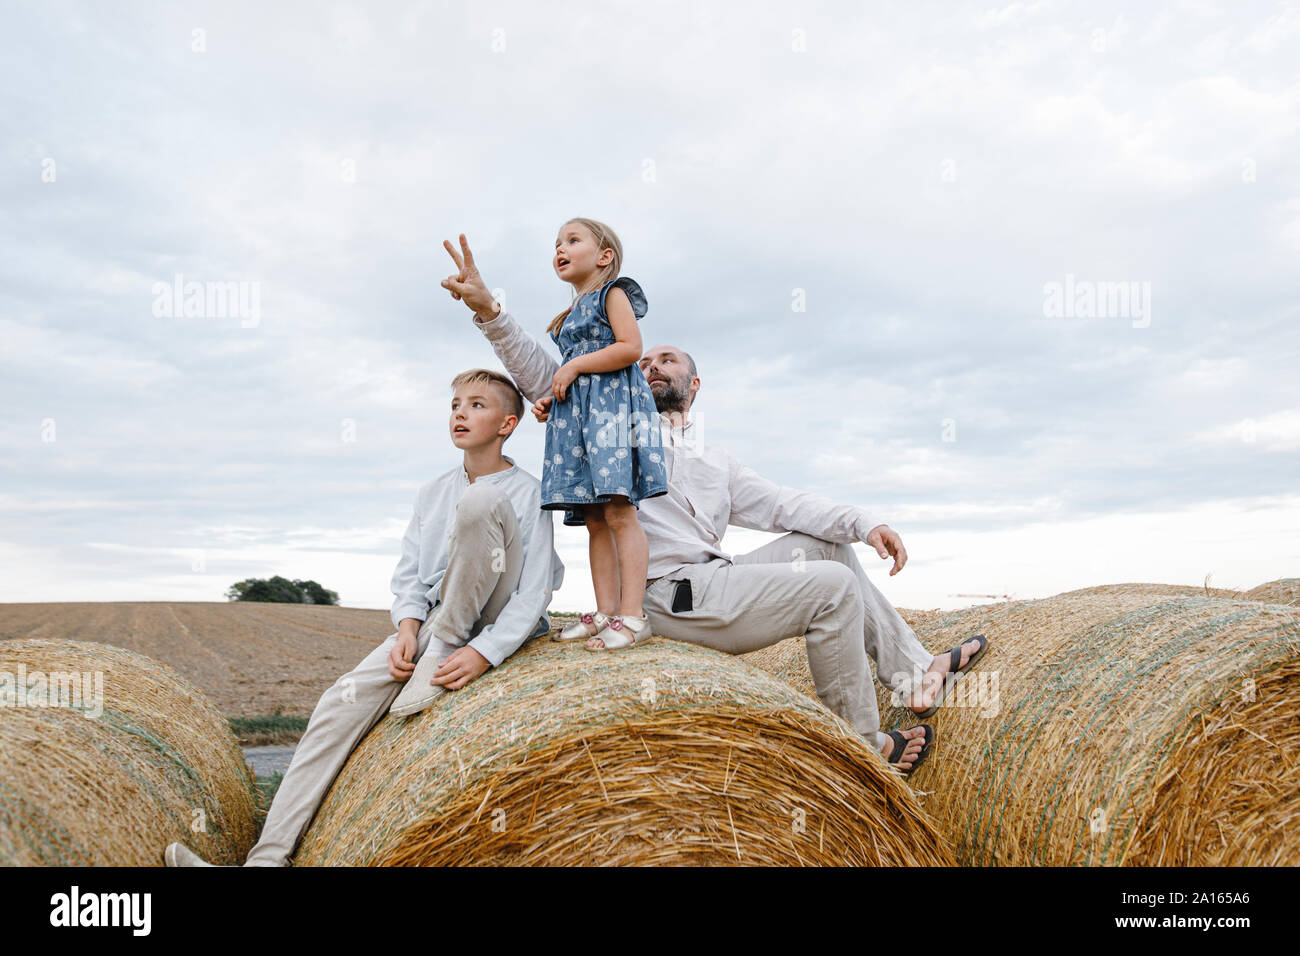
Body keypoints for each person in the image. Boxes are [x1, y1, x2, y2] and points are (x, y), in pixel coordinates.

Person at [439, 236, 986, 772]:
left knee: (827, 548)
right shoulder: (609, 423)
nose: (650, 365)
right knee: (834, 588)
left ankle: (915, 673)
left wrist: (867, 524)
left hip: (717, 580)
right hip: (667, 596)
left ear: (694, 383)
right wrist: (488, 309)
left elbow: (785, 506)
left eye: (667, 360)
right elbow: (538, 366)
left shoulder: (715, 459)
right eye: (643, 360)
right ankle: (868, 750)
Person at [164, 368, 565, 866]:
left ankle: (444, 644)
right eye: (455, 403)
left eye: (477, 405)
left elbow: (535, 592)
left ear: (508, 425)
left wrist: (484, 652)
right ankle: (266, 860)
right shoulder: (431, 491)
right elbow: (410, 575)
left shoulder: (530, 490)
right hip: (434, 622)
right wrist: (407, 628)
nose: (460, 412)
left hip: (496, 610)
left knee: (481, 500)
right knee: (338, 704)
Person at [442, 222, 667, 651]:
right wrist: (556, 398)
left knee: (620, 513)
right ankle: (604, 612)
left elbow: (630, 347)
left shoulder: (613, 293)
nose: (560, 249)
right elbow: (567, 372)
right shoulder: (570, 315)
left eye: (572, 241)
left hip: (612, 417)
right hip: (580, 418)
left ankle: (633, 615)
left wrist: (575, 368)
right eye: (556, 245)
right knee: (595, 520)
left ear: (604, 256)